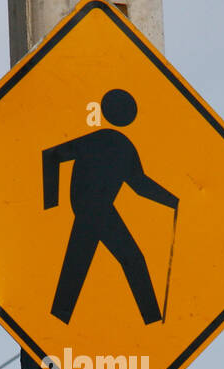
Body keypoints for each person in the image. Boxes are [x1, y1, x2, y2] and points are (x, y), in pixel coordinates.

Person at [42, 88, 178, 325]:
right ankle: (153, 321)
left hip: (97, 208)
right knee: (128, 259)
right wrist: (51, 205)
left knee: (81, 262)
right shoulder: (105, 140)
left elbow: (139, 184)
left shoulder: (122, 146)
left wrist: (172, 201)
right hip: (92, 208)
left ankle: (58, 321)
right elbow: (51, 156)